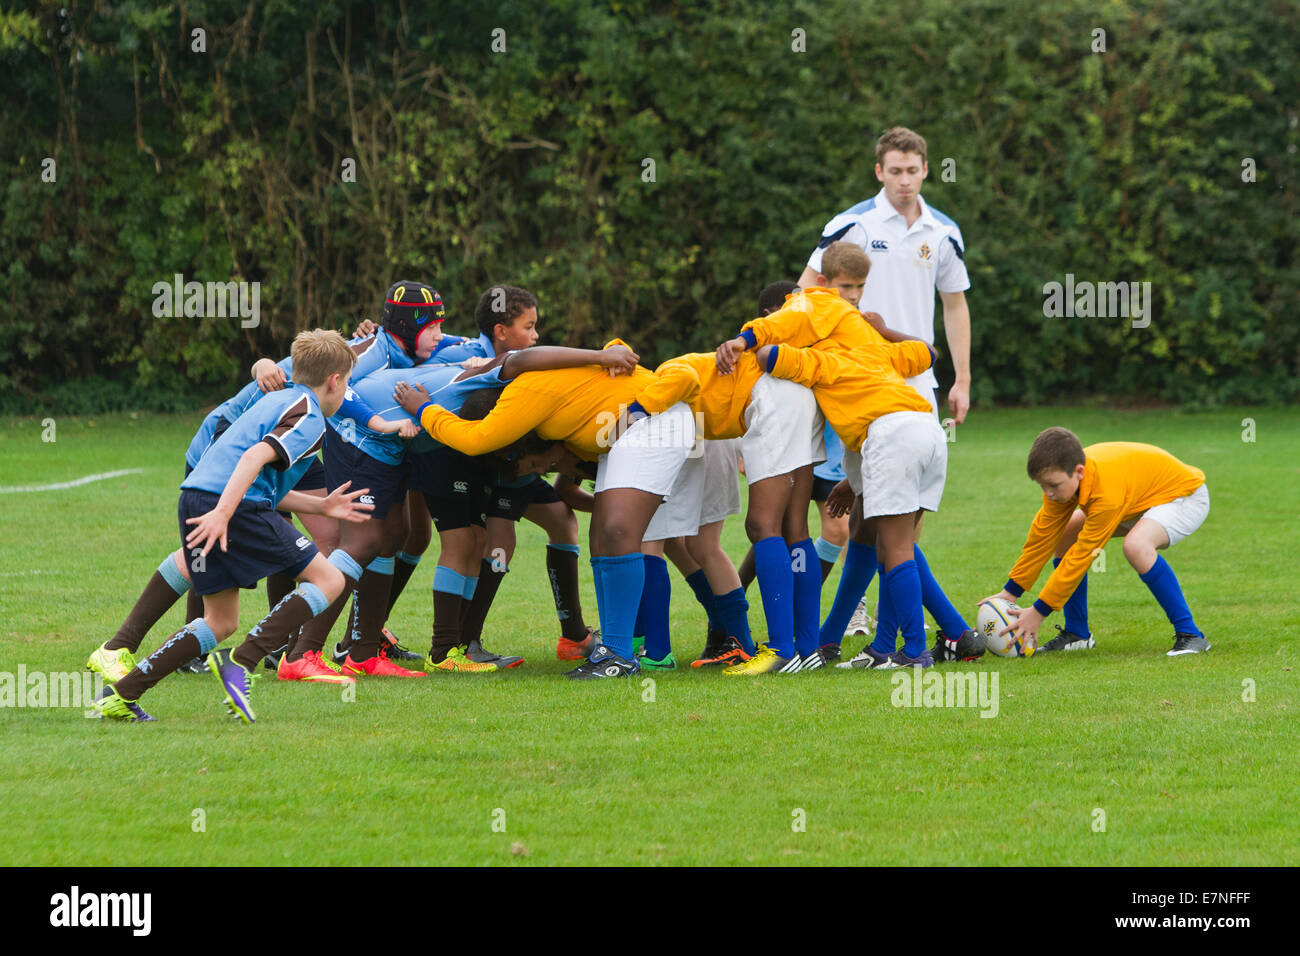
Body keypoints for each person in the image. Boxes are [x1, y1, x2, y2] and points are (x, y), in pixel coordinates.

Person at [90, 330, 374, 722]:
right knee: (329, 580)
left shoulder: (277, 398)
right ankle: (244, 661)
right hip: (230, 507)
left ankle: (121, 695)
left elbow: (259, 480)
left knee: (220, 621)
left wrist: (320, 506)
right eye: (348, 384)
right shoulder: (309, 415)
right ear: (335, 380)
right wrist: (224, 513)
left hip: (197, 498)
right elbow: (256, 457)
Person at [396, 342, 689, 679]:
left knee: (617, 531)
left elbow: (475, 440)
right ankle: (612, 650)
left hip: (654, 418)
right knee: (602, 535)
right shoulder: (547, 406)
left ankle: (621, 656)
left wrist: (424, 409)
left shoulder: (522, 393)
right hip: (636, 425)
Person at [797, 126, 972, 425]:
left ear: (925, 170)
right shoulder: (851, 224)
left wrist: (962, 381)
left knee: (925, 468)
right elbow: (805, 292)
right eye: (895, 171)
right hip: (856, 374)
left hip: (918, 374)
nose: (904, 180)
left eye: (912, 170)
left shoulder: (945, 232)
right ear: (879, 172)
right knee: (859, 469)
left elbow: (955, 306)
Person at [983, 427, 1211, 656]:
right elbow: (1041, 537)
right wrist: (1011, 591)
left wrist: (1039, 611)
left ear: (1079, 471)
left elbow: (1083, 555)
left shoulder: (1106, 492)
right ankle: (1077, 634)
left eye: (1053, 485)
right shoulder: (1062, 480)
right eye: (1042, 486)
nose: (1048, 493)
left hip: (1183, 497)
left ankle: (1191, 635)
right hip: (1137, 501)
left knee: (1136, 546)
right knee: (1065, 534)